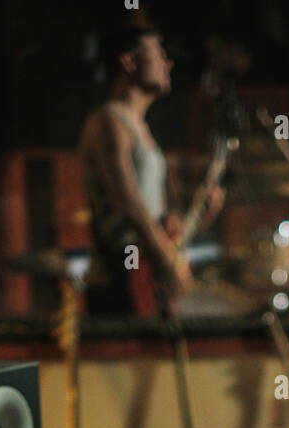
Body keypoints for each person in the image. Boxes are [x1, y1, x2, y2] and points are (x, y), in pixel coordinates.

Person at [79, 19, 224, 316]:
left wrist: (198, 219)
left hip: (146, 275)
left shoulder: (142, 130)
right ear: (129, 61)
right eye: (158, 54)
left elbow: (157, 218)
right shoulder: (109, 121)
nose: (167, 63)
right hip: (119, 279)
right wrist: (168, 262)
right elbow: (128, 202)